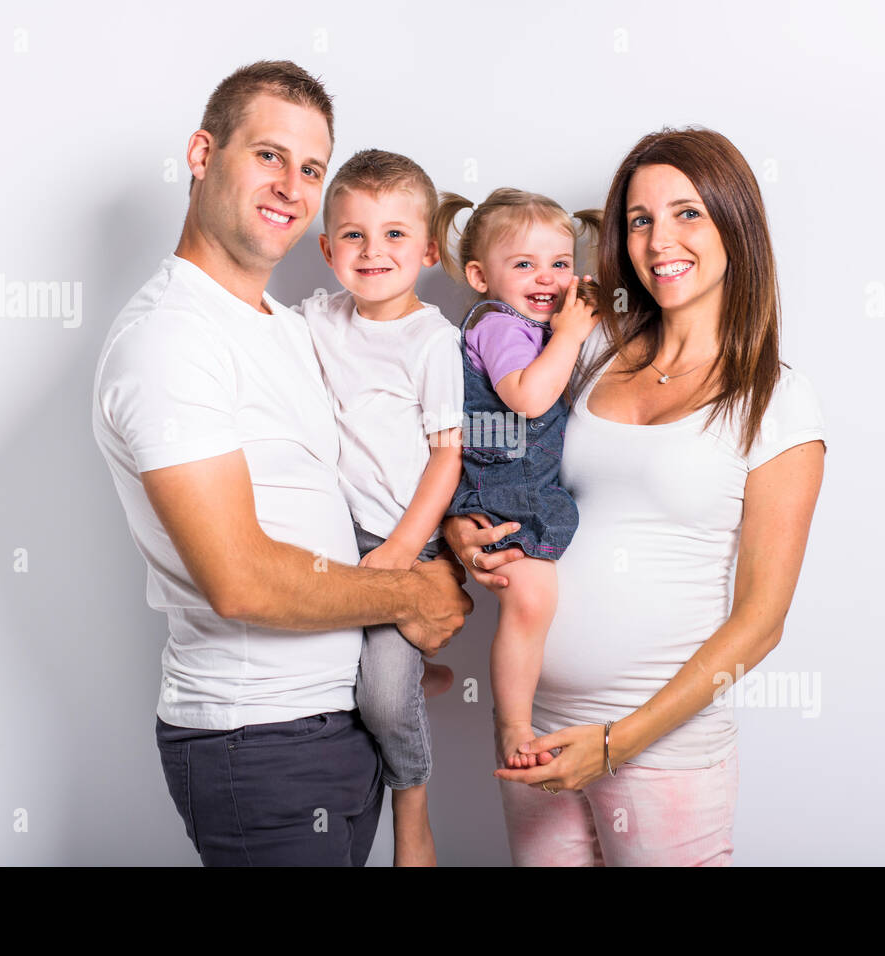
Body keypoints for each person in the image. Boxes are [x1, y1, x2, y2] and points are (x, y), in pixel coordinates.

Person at [90, 61, 471, 867]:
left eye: (310, 168)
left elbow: (382, 452)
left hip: (339, 722)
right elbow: (242, 580)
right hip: (258, 739)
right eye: (268, 154)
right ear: (202, 153)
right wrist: (412, 589)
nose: (291, 184)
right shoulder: (173, 339)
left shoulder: (287, 326)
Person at [443, 127, 828, 866]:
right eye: (640, 219)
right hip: (536, 730)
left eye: (687, 214)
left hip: (664, 751)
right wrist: (463, 521)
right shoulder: (587, 347)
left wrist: (619, 743)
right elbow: (493, 438)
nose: (659, 241)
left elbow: (761, 621)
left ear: (734, 225)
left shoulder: (778, 400)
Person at [295, 148, 464, 866]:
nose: (374, 251)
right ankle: (414, 670)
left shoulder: (433, 342)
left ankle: (413, 812)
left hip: (408, 539)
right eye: (355, 235)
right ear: (329, 248)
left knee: (386, 704)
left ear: (428, 250)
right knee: (341, 686)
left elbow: (447, 457)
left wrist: (400, 553)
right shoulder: (317, 318)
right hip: (338, 538)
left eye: (395, 234)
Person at [433, 189, 600, 772]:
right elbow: (527, 399)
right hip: (498, 490)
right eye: (524, 264)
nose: (546, 278)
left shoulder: (531, 326)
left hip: (518, 484)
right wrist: (572, 336)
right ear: (480, 276)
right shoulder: (500, 327)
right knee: (530, 597)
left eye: (559, 263)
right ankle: (512, 724)